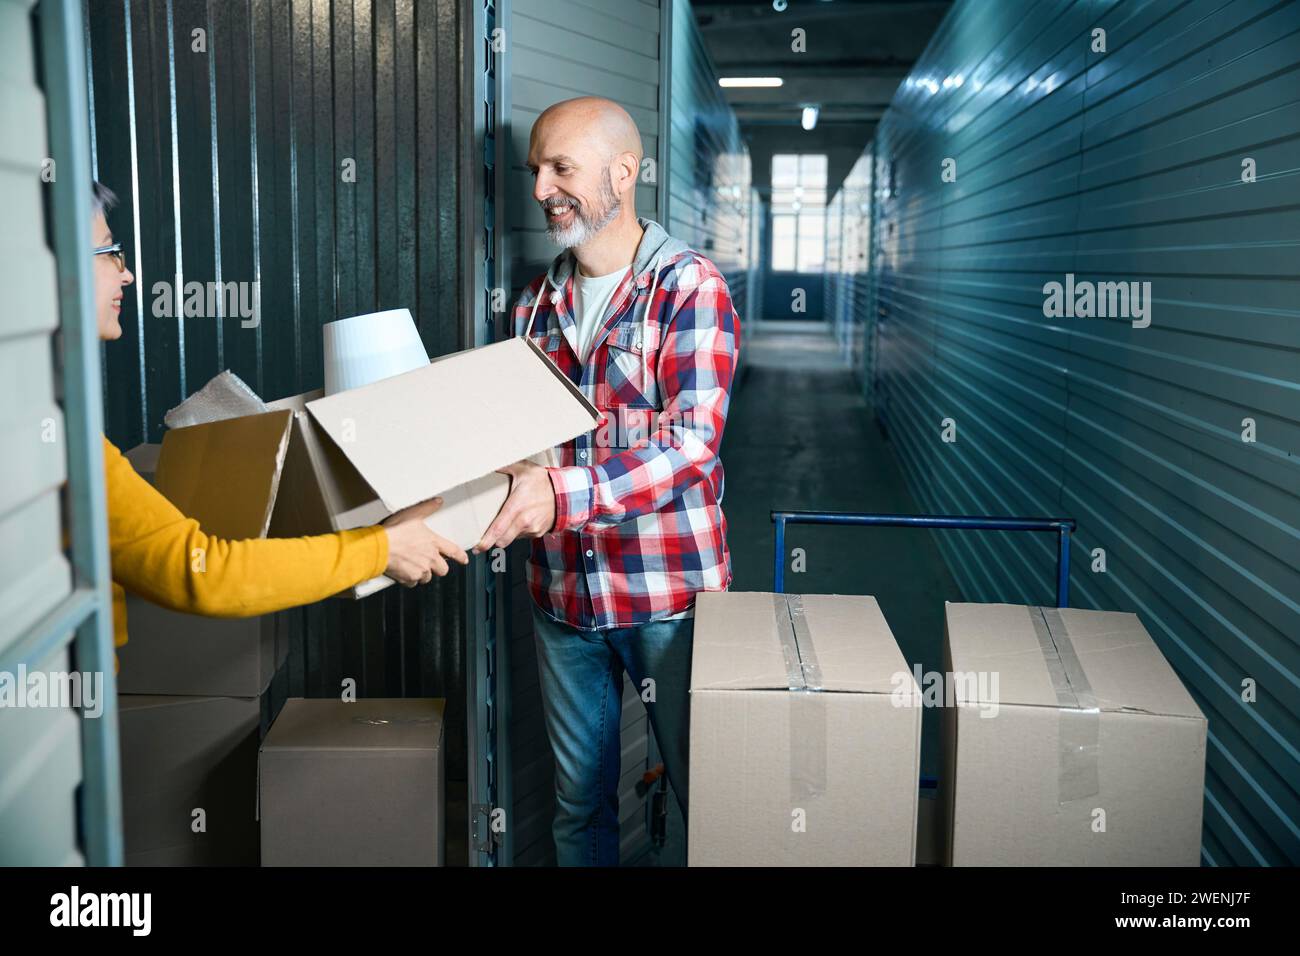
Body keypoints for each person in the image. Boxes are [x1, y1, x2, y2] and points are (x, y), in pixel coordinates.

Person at [471, 97, 741, 865]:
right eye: (535, 171)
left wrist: (560, 493)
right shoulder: (535, 305)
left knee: (708, 795)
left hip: (668, 600)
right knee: (576, 803)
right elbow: (523, 441)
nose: (540, 189)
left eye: (561, 167)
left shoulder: (689, 288)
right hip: (563, 598)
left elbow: (690, 444)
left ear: (624, 172)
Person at [88, 181, 467, 669]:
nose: (128, 274)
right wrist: (380, 549)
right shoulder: (48, 444)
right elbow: (200, 571)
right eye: (109, 251)